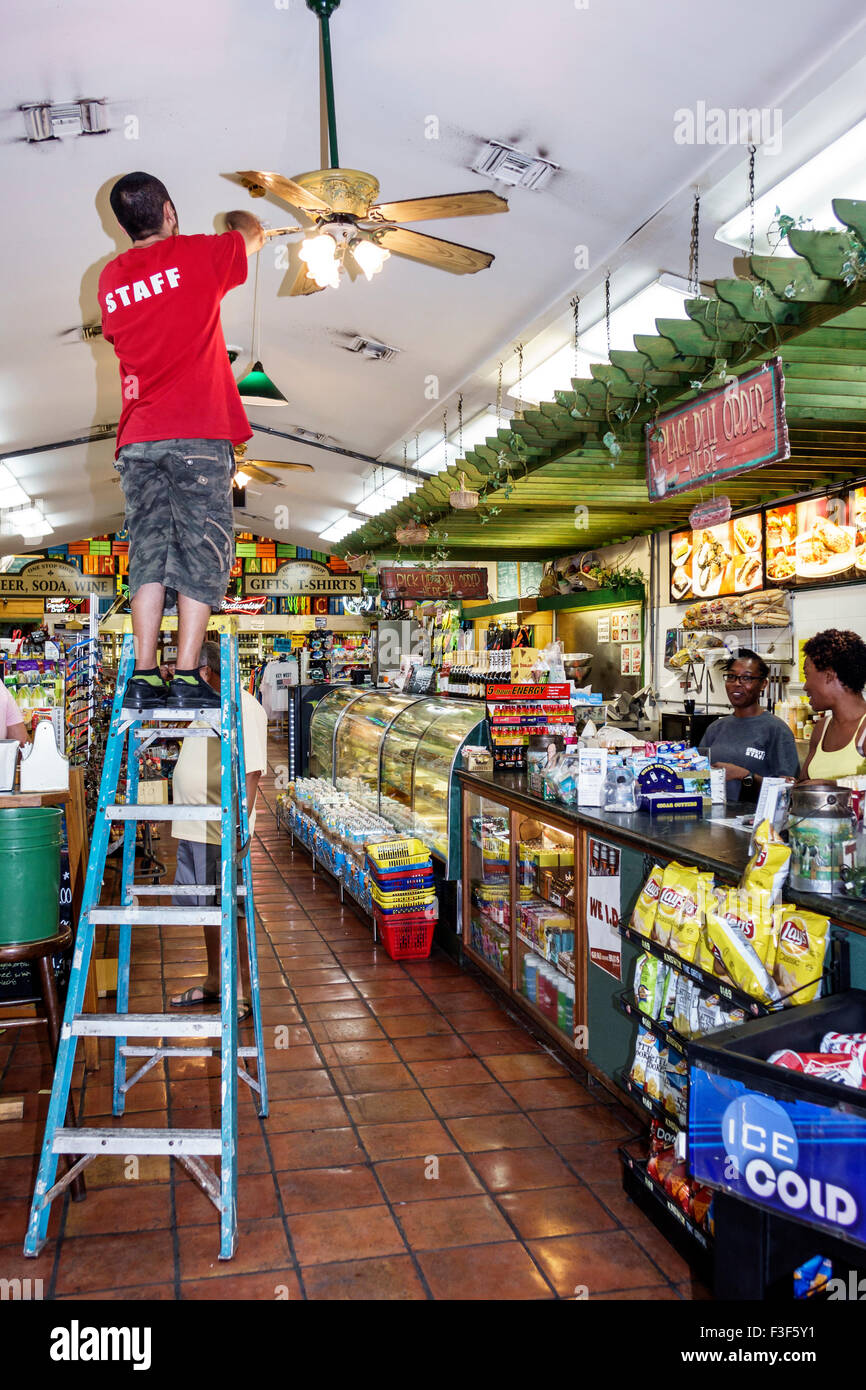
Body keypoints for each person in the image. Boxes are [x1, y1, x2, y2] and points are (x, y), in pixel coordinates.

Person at [98, 172, 266, 711]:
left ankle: (145, 674)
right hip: (197, 431)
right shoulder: (198, 255)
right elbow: (253, 231)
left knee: (149, 550)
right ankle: (188, 672)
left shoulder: (109, 279)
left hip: (138, 438)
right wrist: (232, 223)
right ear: (169, 211)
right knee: (204, 550)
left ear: (123, 226)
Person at [169, 642, 268, 1020]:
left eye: (188, 671)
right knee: (206, 909)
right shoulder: (206, 706)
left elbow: (252, 770)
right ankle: (215, 979)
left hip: (219, 828)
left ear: (206, 671)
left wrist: (239, 830)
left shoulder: (244, 707)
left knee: (232, 910)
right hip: (195, 824)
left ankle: (239, 988)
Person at [699, 648, 799, 802]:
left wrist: (745, 776)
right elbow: (697, 778)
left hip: (755, 823)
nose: (737, 684)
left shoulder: (776, 730)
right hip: (712, 819)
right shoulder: (715, 728)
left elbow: (788, 791)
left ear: (763, 684)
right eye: (731, 677)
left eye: (746, 678)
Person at [800, 629, 866, 781]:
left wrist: (831, 788)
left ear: (829, 675)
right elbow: (803, 785)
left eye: (806, 675)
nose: (805, 686)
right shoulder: (822, 728)